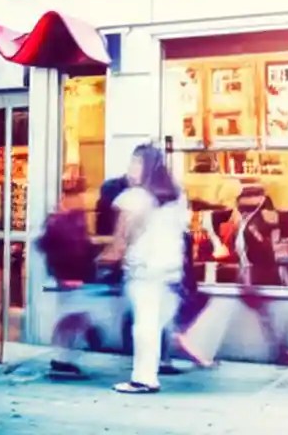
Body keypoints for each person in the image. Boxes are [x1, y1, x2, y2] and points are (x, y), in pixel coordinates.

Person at [102, 144, 189, 395]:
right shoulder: (176, 197)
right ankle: (155, 365)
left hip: (143, 270)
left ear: (145, 167)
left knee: (144, 325)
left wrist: (103, 258)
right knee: (155, 323)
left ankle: (143, 378)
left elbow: (119, 242)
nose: (130, 169)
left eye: (134, 163)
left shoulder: (133, 198)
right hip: (170, 269)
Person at [38, 181, 100, 379]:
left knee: (73, 316)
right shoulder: (66, 221)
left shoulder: (61, 220)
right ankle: (62, 358)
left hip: (70, 275)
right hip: (71, 276)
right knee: (72, 317)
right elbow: (73, 249)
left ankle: (63, 357)